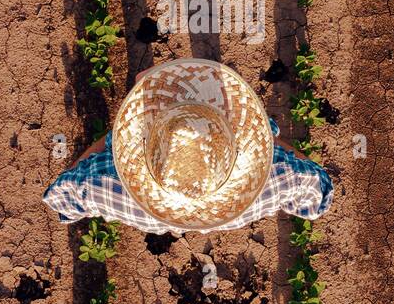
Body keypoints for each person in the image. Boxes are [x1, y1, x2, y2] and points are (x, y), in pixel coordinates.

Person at [43, 58, 333, 234]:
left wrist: (114, 140)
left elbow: (63, 197)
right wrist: (268, 140)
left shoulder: (103, 182)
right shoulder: (278, 176)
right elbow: (318, 191)